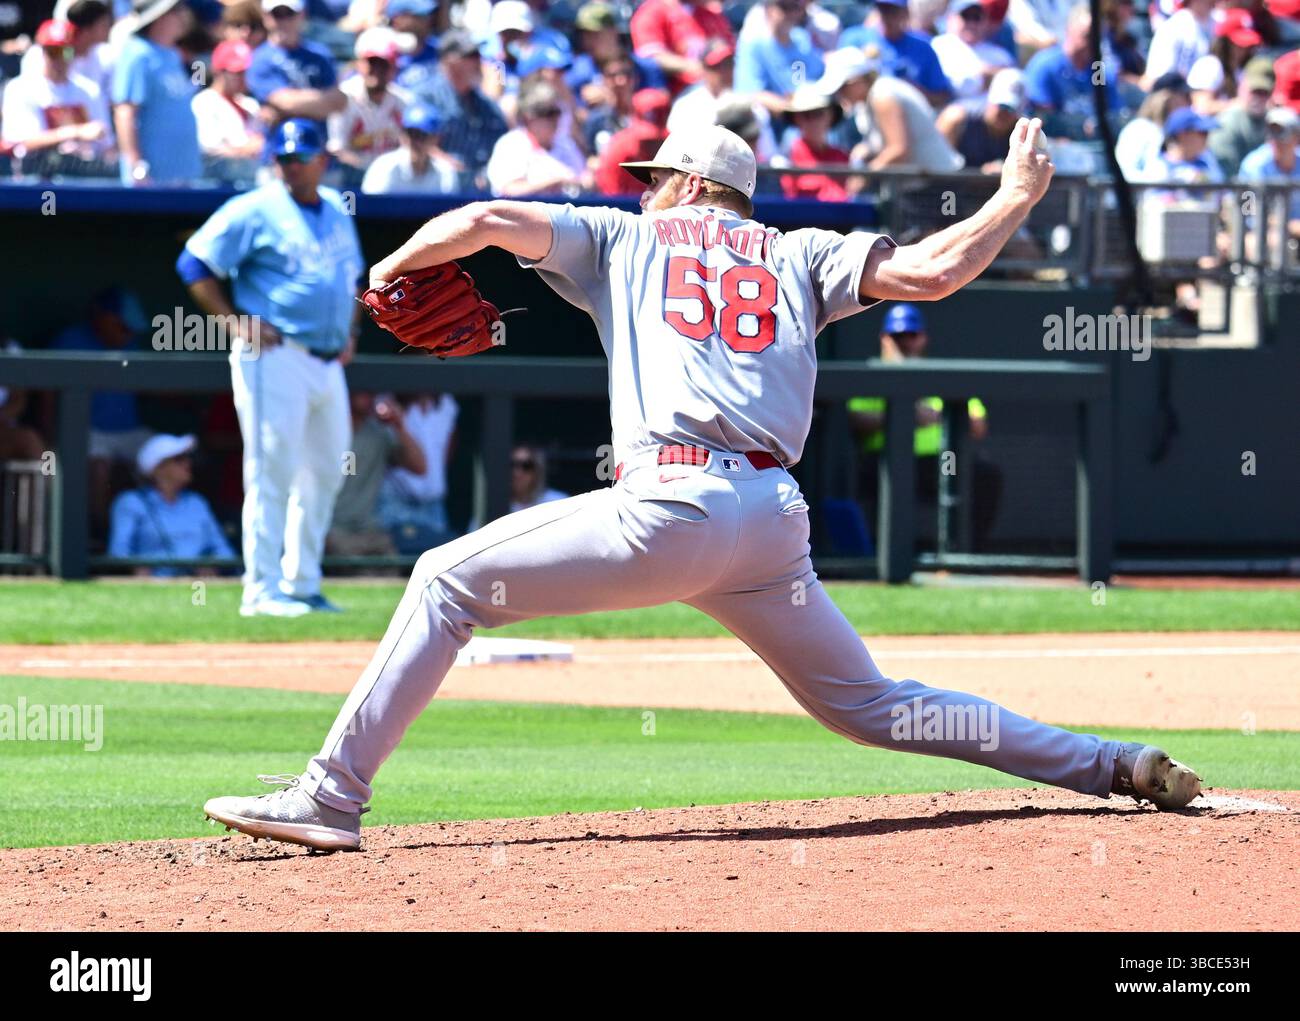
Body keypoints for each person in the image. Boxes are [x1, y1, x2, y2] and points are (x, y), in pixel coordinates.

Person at [202, 117, 1202, 852]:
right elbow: (936, 274)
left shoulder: (626, 237)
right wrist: (1016, 195)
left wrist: (389, 270)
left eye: (651, 177)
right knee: (875, 705)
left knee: (444, 581)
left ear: (683, 183)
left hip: (672, 502)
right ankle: (1106, 761)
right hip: (771, 524)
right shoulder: (799, 250)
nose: (640, 190)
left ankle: (330, 798)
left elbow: (486, 217)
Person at [177, 119, 364, 618]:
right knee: (271, 471)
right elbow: (194, 262)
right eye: (283, 158)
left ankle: (302, 583)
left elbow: (351, 278)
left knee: (325, 471)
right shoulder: (255, 208)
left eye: (300, 157)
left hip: (327, 363)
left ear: (322, 160)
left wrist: (350, 331)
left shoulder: (337, 212)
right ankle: (260, 591)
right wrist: (235, 322)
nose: (290, 165)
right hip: (274, 356)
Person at [847, 303, 1001, 549]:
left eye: (912, 335)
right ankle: (875, 554)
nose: (906, 342)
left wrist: (939, 416)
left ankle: (966, 552)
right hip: (885, 461)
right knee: (862, 475)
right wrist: (904, 415)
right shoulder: (873, 373)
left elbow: (979, 425)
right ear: (884, 338)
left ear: (923, 338)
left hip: (940, 463)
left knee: (985, 474)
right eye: (898, 336)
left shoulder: (939, 376)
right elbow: (855, 418)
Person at [50, 287, 153, 536]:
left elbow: (153, 389)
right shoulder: (70, 342)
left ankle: (158, 535)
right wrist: (51, 438)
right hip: (90, 432)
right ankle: (100, 535)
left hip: (129, 432)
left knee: (170, 456)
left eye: (131, 329)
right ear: (102, 317)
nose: (127, 334)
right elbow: (48, 399)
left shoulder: (131, 346)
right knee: (99, 465)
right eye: (122, 326)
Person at [108, 434, 235, 577]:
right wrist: (138, 568)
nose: (188, 463)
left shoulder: (197, 503)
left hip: (197, 588)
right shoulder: (131, 501)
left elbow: (224, 552)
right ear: (158, 468)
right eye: (179, 459)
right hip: (152, 588)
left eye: (187, 458)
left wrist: (212, 565)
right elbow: (118, 553)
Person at [2, 19, 115, 178]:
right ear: (42, 52)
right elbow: (21, 143)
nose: (59, 59)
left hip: (83, 177)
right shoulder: (20, 89)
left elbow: (106, 144)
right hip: (35, 177)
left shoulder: (89, 91)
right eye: (53, 51)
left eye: (65, 51)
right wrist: (75, 132)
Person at [824, 48, 964, 172]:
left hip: (935, 187)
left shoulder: (883, 96)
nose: (839, 94)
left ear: (858, 81)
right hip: (925, 185)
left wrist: (864, 178)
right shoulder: (871, 99)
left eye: (842, 88)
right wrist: (865, 149)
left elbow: (898, 150)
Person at [111, 0, 201, 185]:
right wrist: (135, 165)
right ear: (158, 17)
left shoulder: (173, 54)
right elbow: (125, 113)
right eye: (176, 10)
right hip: (151, 177)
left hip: (183, 172)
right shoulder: (137, 54)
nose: (184, 14)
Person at [327, 393, 427, 557]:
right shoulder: (325, 430)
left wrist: (399, 426)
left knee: (392, 568)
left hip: (370, 529)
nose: (369, 396)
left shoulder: (378, 433)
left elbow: (420, 467)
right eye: (364, 391)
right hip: (332, 529)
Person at [422, 29, 509, 191]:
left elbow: (503, 143)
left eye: (478, 56)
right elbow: (410, 141)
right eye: (471, 57)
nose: (478, 62)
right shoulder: (426, 96)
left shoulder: (485, 103)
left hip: (479, 188)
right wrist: (443, 161)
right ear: (449, 61)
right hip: (434, 187)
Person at [1022, 3, 1120, 138]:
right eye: (1087, 36)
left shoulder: (1098, 69)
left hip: (1095, 144)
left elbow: (1112, 110)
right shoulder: (1046, 65)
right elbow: (1043, 117)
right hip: (1057, 143)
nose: (1091, 43)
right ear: (1069, 30)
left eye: (1097, 38)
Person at [377, 393, 460, 550]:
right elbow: (352, 466)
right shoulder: (384, 405)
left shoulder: (446, 405)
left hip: (434, 505)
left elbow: (440, 460)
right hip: (395, 504)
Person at [328, 26, 408, 188]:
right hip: (351, 181)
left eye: (383, 64)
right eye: (372, 63)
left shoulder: (404, 101)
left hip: (392, 183)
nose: (376, 70)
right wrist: (372, 173)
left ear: (394, 68)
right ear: (359, 64)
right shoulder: (344, 98)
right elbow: (337, 150)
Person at [246, 0, 344, 127]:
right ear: (266, 17)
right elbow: (285, 102)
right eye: (277, 14)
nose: (284, 22)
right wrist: (323, 101)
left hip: (319, 141)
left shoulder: (320, 54)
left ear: (302, 15)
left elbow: (339, 101)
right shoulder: (260, 59)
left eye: (289, 14)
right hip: (277, 143)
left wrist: (285, 110)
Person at [839, 0, 952, 109]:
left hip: (909, 114)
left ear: (906, 12)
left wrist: (915, 92)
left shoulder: (923, 47)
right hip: (860, 112)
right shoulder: (854, 38)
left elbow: (942, 96)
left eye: (893, 10)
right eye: (883, 9)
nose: (887, 15)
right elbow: (838, 85)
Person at [486, 79, 589, 196]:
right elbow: (508, 190)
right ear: (527, 117)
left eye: (557, 112)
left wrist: (588, 180)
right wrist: (554, 182)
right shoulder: (512, 144)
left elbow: (583, 177)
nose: (555, 119)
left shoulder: (565, 143)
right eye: (548, 113)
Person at [191, 38, 264, 182]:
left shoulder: (251, 105)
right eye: (237, 72)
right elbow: (210, 149)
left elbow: (262, 144)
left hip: (250, 181)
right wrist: (247, 148)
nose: (243, 78)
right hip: (217, 184)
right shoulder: (203, 102)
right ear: (218, 71)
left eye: (245, 72)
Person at [734, 0, 826, 111]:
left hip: (812, 112)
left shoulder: (802, 38)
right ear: (768, 9)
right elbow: (750, 93)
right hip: (780, 122)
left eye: (795, 6)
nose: (791, 13)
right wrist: (792, 110)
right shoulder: (753, 45)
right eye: (785, 7)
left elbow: (818, 75)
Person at [629, 0, 735, 92]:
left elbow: (731, 53)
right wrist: (697, 68)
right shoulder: (651, 12)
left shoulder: (711, 14)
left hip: (719, 88)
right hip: (678, 92)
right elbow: (651, 58)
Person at [931, 0, 1015, 113]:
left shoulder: (1000, 54)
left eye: (976, 17)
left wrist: (988, 75)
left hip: (995, 115)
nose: (971, 23)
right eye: (966, 16)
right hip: (953, 112)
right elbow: (960, 87)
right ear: (950, 19)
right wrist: (987, 74)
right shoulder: (939, 46)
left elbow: (1015, 83)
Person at [938, 67, 1025, 172]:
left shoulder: (1024, 131)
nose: (1004, 113)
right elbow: (938, 165)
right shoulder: (955, 120)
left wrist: (1007, 170)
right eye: (1001, 106)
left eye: (1010, 109)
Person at [361, 103, 460, 193]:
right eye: (410, 134)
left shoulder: (445, 173)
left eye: (421, 135)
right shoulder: (383, 167)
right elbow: (372, 209)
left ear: (436, 138)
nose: (414, 141)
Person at [780, 85, 856, 201]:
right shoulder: (788, 156)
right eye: (806, 115)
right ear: (796, 119)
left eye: (818, 114)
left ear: (831, 115)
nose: (813, 121)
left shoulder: (843, 157)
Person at [594, 88, 671, 195]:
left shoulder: (675, 148)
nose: (651, 143)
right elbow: (610, 199)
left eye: (655, 139)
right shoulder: (618, 149)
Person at [1209, 56, 1274, 177]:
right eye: (1254, 91)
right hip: (1236, 191)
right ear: (1241, 88)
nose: (1258, 98)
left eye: (1264, 93)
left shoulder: (1273, 120)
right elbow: (1228, 174)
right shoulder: (1228, 122)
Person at [1141, 0, 1215, 91]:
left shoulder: (1216, 23)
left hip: (1208, 93)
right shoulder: (1173, 28)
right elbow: (1158, 79)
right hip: (1178, 94)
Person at [508, 444, 567, 513]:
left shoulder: (557, 503)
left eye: (526, 466)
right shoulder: (496, 504)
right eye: (512, 465)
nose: (517, 473)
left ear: (538, 471)